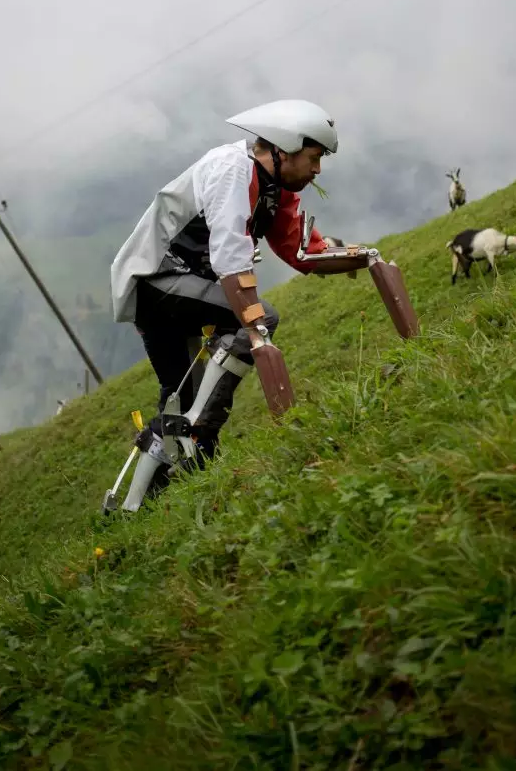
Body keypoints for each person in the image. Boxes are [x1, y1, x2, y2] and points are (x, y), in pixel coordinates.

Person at [110, 98, 350, 510]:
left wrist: (352, 256)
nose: (317, 170)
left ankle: (131, 511)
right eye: (313, 158)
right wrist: (253, 317)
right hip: (158, 281)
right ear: (284, 148)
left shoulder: (277, 185)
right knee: (258, 319)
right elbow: (230, 258)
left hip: (177, 288)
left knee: (179, 398)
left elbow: (297, 246)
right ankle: (202, 430)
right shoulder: (232, 170)